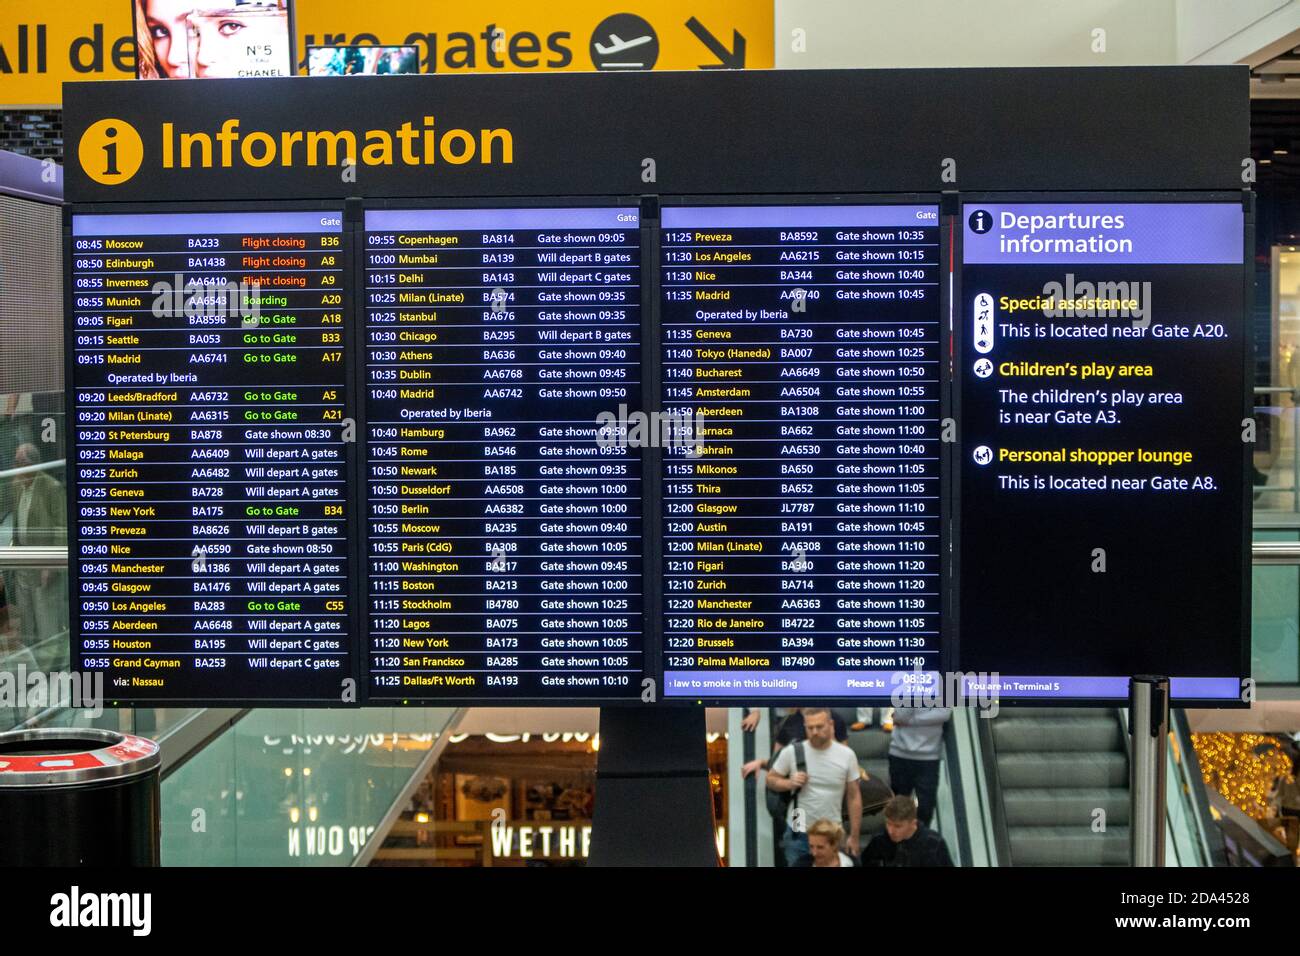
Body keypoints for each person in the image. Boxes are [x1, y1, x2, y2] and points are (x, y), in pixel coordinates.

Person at [766, 708, 862, 866]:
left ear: (830, 724)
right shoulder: (792, 752)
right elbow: (770, 780)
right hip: (799, 829)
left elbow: (854, 796)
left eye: (819, 727)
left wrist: (855, 835)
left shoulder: (846, 755)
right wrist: (789, 783)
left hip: (831, 831)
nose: (815, 732)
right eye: (810, 728)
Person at [9, 443, 67, 652]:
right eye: (15, 462)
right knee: (26, 623)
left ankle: (52, 668)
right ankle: (33, 670)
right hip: (22, 565)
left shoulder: (51, 488)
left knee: (46, 623)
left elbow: (62, 529)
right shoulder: (16, 486)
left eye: (20, 463)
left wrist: (50, 564)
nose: (16, 467)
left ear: (33, 465)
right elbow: (16, 525)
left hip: (43, 566)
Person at [888, 704, 951, 827]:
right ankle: (899, 842)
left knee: (926, 809)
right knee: (897, 808)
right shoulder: (907, 685)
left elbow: (943, 714)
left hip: (929, 758)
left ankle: (918, 842)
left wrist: (912, 720)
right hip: (900, 754)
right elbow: (901, 715)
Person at [863, 796, 954, 866]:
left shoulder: (934, 844)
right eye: (888, 824)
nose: (891, 830)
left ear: (913, 823)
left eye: (897, 826)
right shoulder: (880, 840)